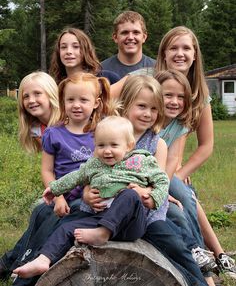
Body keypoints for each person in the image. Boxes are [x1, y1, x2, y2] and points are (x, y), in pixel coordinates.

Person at [13, 116, 169, 279]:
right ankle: (43, 259)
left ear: (129, 146)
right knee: (66, 228)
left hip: (131, 224)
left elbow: (162, 179)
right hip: (101, 218)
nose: (107, 150)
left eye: (114, 145)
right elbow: (76, 176)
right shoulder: (95, 164)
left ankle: (103, 233)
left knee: (129, 194)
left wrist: (153, 198)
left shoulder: (140, 161)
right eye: (101, 145)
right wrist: (54, 189)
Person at [2, 73, 112, 286]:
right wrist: (59, 196)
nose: (76, 105)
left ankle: (23, 269)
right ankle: (21, 260)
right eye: (70, 100)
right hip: (62, 194)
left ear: (96, 103)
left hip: (89, 199)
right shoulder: (54, 133)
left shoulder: (101, 131)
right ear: (62, 102)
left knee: (57, 219)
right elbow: (47, 171)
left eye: (83, 100)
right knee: (40, 212)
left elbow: (108, 165)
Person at [116, 74, 208, 286]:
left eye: (154, 109)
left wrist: (151, 194)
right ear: (125, 105)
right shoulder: (112, 135)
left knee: (177, 246)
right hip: (113, 211)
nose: (148, 114)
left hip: (148, 214)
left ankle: (200, 281)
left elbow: (158, 183)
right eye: (141, 106)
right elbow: (99, 170)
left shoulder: (158, 144)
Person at [0, 71, 60, 280]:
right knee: (41, 210)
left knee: (43, 211)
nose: (31, 100)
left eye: (37, 94)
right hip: (58, 184)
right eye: (26, 96)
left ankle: (13, 263)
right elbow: (50, 165)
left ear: (51, 95)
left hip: (76, 186)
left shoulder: (66, 120)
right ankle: (14, 262)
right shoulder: (37, 128)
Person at [49, 27, 120, 84]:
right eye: (63, 47)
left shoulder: (107, 79)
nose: (68, 51)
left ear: (85, 50)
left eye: (76, 46)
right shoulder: (54, 86)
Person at [101, 11, 155, 77]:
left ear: (144, 37)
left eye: (136, 32)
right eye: (125, 32)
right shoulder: (101, 70)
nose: (130, 37)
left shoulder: (157, 69)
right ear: (115, 37)